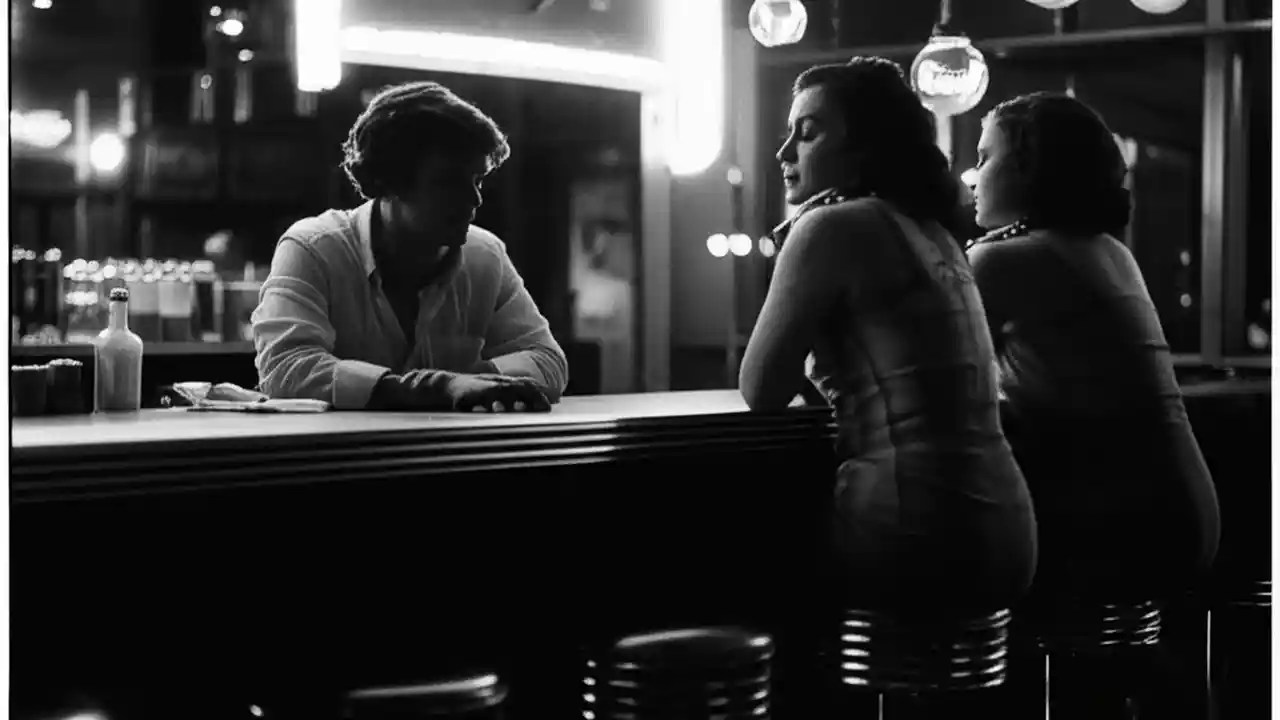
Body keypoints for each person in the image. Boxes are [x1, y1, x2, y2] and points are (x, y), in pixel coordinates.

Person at [740, 57, 1038, 618]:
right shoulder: (937, 233)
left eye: (807, 133)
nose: (784, 153)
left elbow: (759, 387)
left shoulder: (829, 225)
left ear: (864, 148)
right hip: (1010, 528)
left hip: (916, 531)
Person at [968, 92, 1220, 717]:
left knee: (947, 572)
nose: (971, 175)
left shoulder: (1000, 258)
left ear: (1029, 169)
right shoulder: (1113, 253)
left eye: (985, 156)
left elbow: (935, 379)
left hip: (1115, 531)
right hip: (1187, 513)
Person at [252, 81, 568, 412]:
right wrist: (441, 387)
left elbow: (548, 362)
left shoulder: (485, 255)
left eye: (477, 180)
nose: (475, 199)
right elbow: (284, 370)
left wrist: (475, 383)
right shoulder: (314, 248)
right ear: (388, 182)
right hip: (335, 460)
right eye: (449, 181)